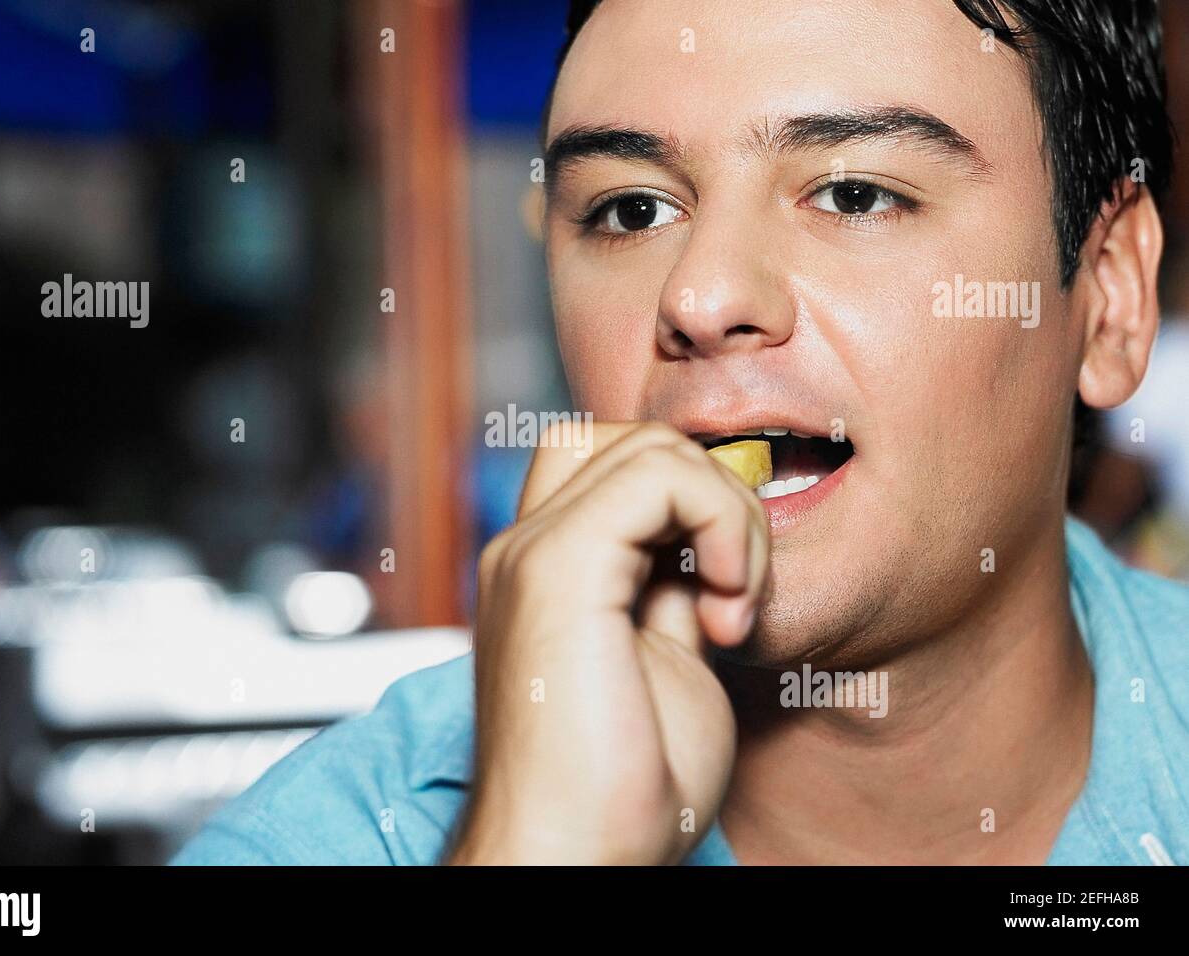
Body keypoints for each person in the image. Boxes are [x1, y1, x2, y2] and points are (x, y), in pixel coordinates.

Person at [173, 0, 1189, 866]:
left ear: (1105, 297)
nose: (698, 295)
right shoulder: (332, 836)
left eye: (853, 193)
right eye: (628, 211)